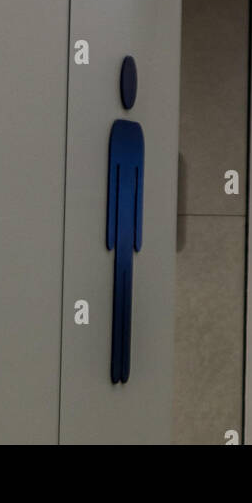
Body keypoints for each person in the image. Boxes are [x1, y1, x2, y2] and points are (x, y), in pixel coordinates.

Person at [106, 56, 144, 385]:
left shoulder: (125, 133)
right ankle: (120, 370)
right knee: (123, 297)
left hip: (121, 230)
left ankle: (121, 369)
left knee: (123, 297)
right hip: (126, 231)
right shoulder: (133, 134)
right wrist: (137, 237)